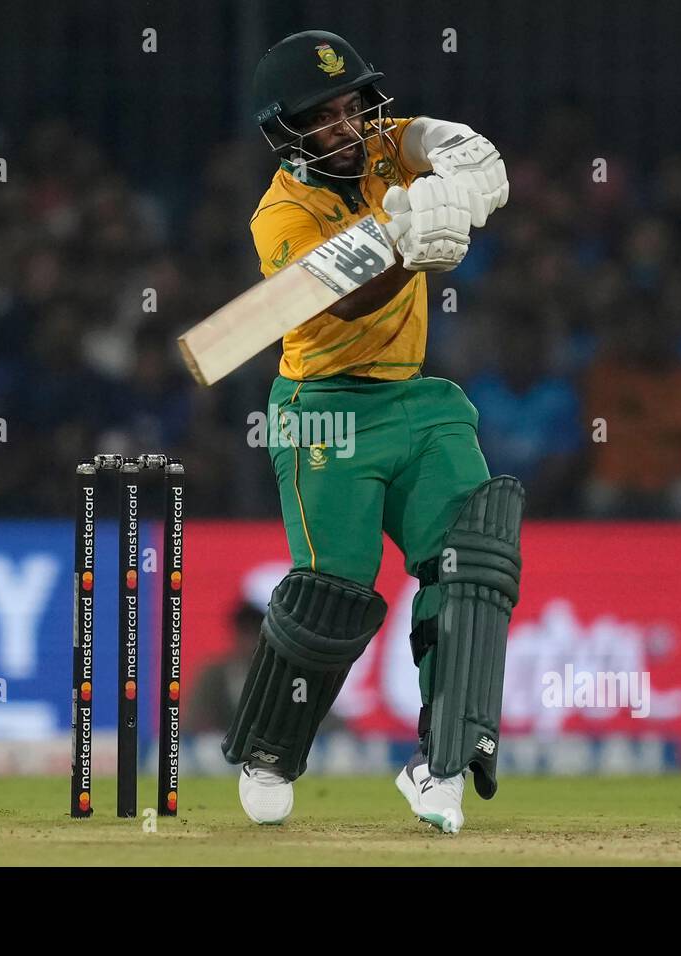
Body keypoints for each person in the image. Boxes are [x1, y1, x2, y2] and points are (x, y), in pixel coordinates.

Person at [221, 30, 524, 833]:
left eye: (356, 105)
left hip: (414, 402)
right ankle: (271, 749)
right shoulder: (279, 215)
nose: (350, 127)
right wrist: (407, 240)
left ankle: (440, 764)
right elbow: (344, 302)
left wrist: (464, 167)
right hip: (322, 409)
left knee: (474, 563)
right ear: (286, 132)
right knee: (334, 596)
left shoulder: (388, 145)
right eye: (326, 117)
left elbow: (445, 149)